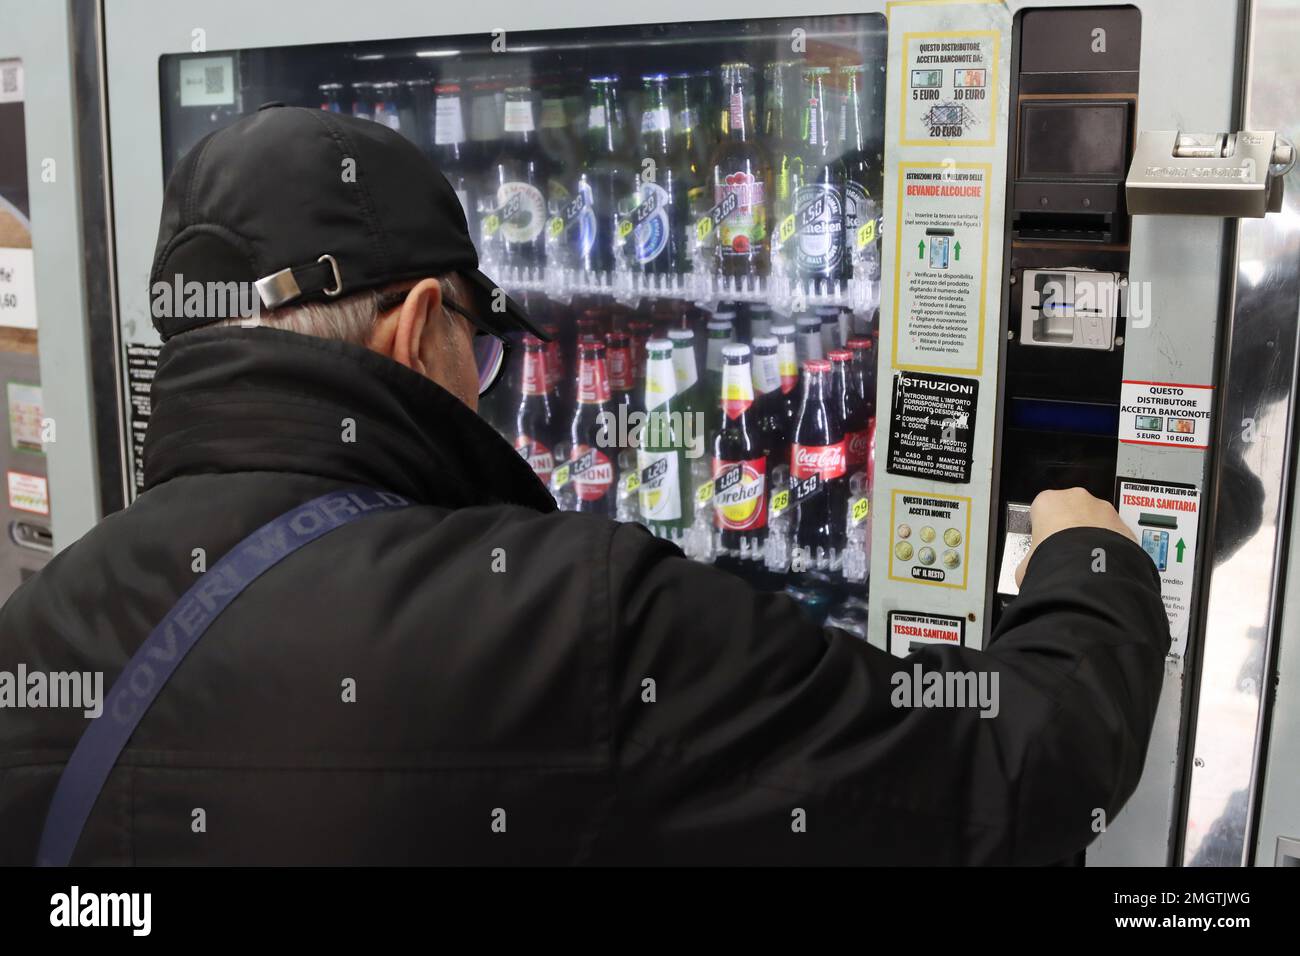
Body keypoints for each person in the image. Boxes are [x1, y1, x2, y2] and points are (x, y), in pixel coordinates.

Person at [0, 106, 1169, 865]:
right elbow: (1020, 768)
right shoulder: (568, 618)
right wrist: (1086, 553)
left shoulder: (45, 618)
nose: (492, 382)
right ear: (418, 329)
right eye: (485, 346)